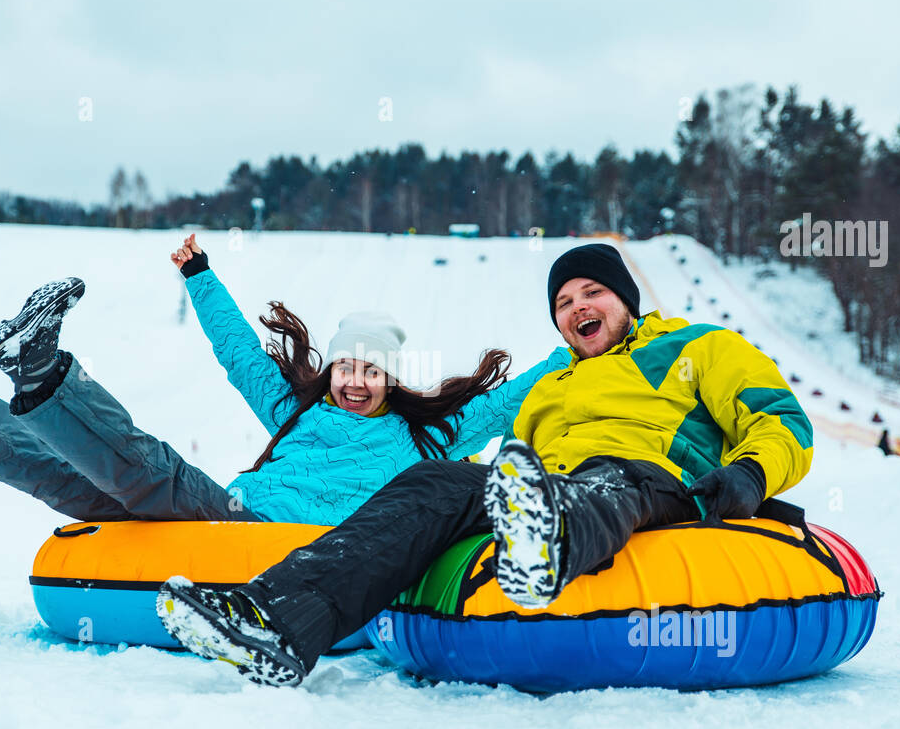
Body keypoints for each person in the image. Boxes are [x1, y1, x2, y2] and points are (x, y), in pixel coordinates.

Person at [157, 242, 814, 686]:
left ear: (626, 299)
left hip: (649, 477)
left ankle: (547, 542)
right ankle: (274, 621)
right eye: (564, 302)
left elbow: (784, 421)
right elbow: (505, 460)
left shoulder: (697, 346)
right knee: (433, 480)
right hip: (547, 482)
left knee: (607, 479)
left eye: (593, 292)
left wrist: (749, 475)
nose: (579, 307)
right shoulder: (554, 386)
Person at [0, 234, 569, 528]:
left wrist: (577, 350)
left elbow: (511, 399)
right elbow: (241, 355)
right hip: (226, 516)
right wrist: (200, 276)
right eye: (347, 365)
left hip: (261, 538)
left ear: (390, 379)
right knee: (67, 475)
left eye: (372, 370)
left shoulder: (426, 438)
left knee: (154, 470)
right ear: (332, 368)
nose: (356, 380)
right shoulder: (297, 413)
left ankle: (39, 367)